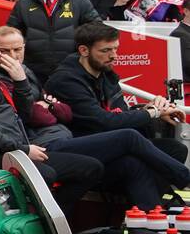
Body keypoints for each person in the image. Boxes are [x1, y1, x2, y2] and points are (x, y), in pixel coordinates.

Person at [0, 26, 186, 212]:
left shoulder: (2, 75)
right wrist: (24, 145)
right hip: (25, 148)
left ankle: (151, 217)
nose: (6, 55)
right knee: (128, 141)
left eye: (17, 49)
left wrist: (24, 83)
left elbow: (41, 112)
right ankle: (182, 183)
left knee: (145, 155)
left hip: (37, 141)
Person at [45, 22, 190, 159]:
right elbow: (103, 121)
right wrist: (153, 112)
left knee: (175, 148)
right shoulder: (66, 80)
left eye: (115, 48)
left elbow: (121, 113)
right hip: (86, 145)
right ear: (84, 50)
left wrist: (151, 109)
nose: (114, 55)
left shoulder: (107, 74)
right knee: (132, 155)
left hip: (113, 140)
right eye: (106, 50)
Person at [6, 0, 99, 79]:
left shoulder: (79, 0)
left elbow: (96, 30)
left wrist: (81, 56)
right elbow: (11, 33)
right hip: (33, 72)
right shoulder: (23, 3)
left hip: (71, 70)